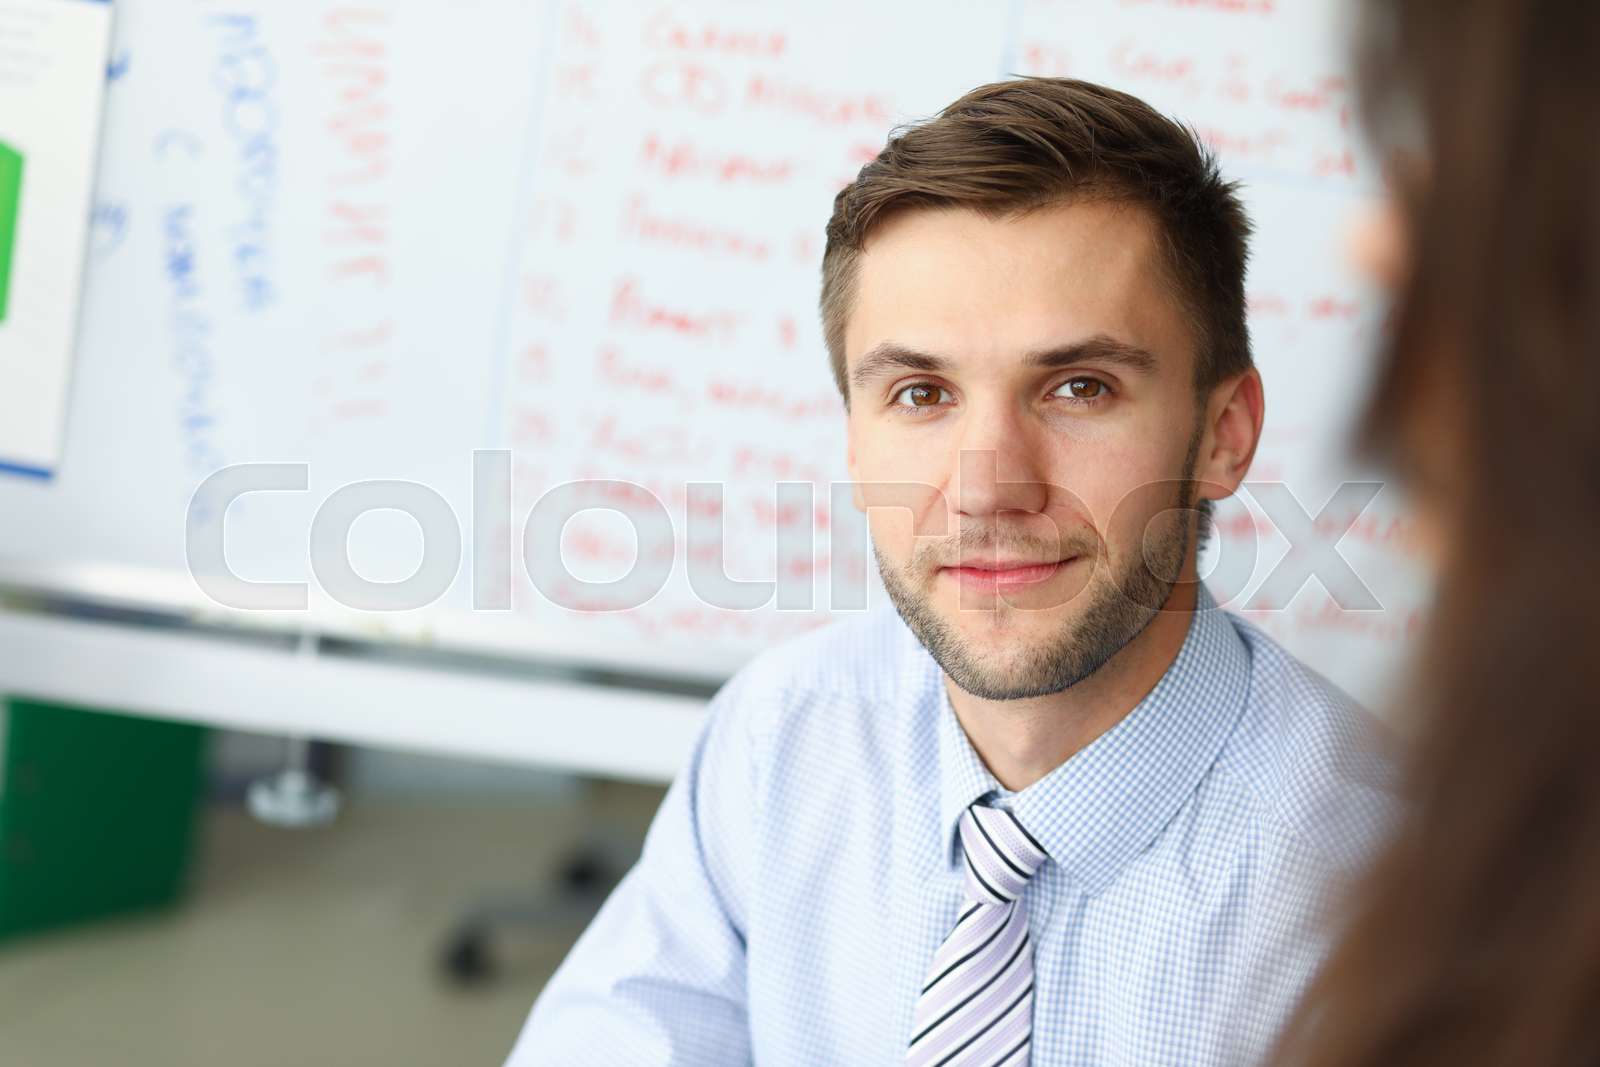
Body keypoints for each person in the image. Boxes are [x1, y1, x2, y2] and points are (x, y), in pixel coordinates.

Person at [504, 77, 1391, 1066]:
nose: (986, 488)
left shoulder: (1386, 889)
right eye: (921, 392)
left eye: (1078, 387)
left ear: (1222, 434)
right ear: (852, 433)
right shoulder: (784, 737)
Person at [1273, 2, 1600, 1065]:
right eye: (914, 393)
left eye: (1083, 385)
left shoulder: (1329, 822)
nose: (1371, 246)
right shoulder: (765, 752)